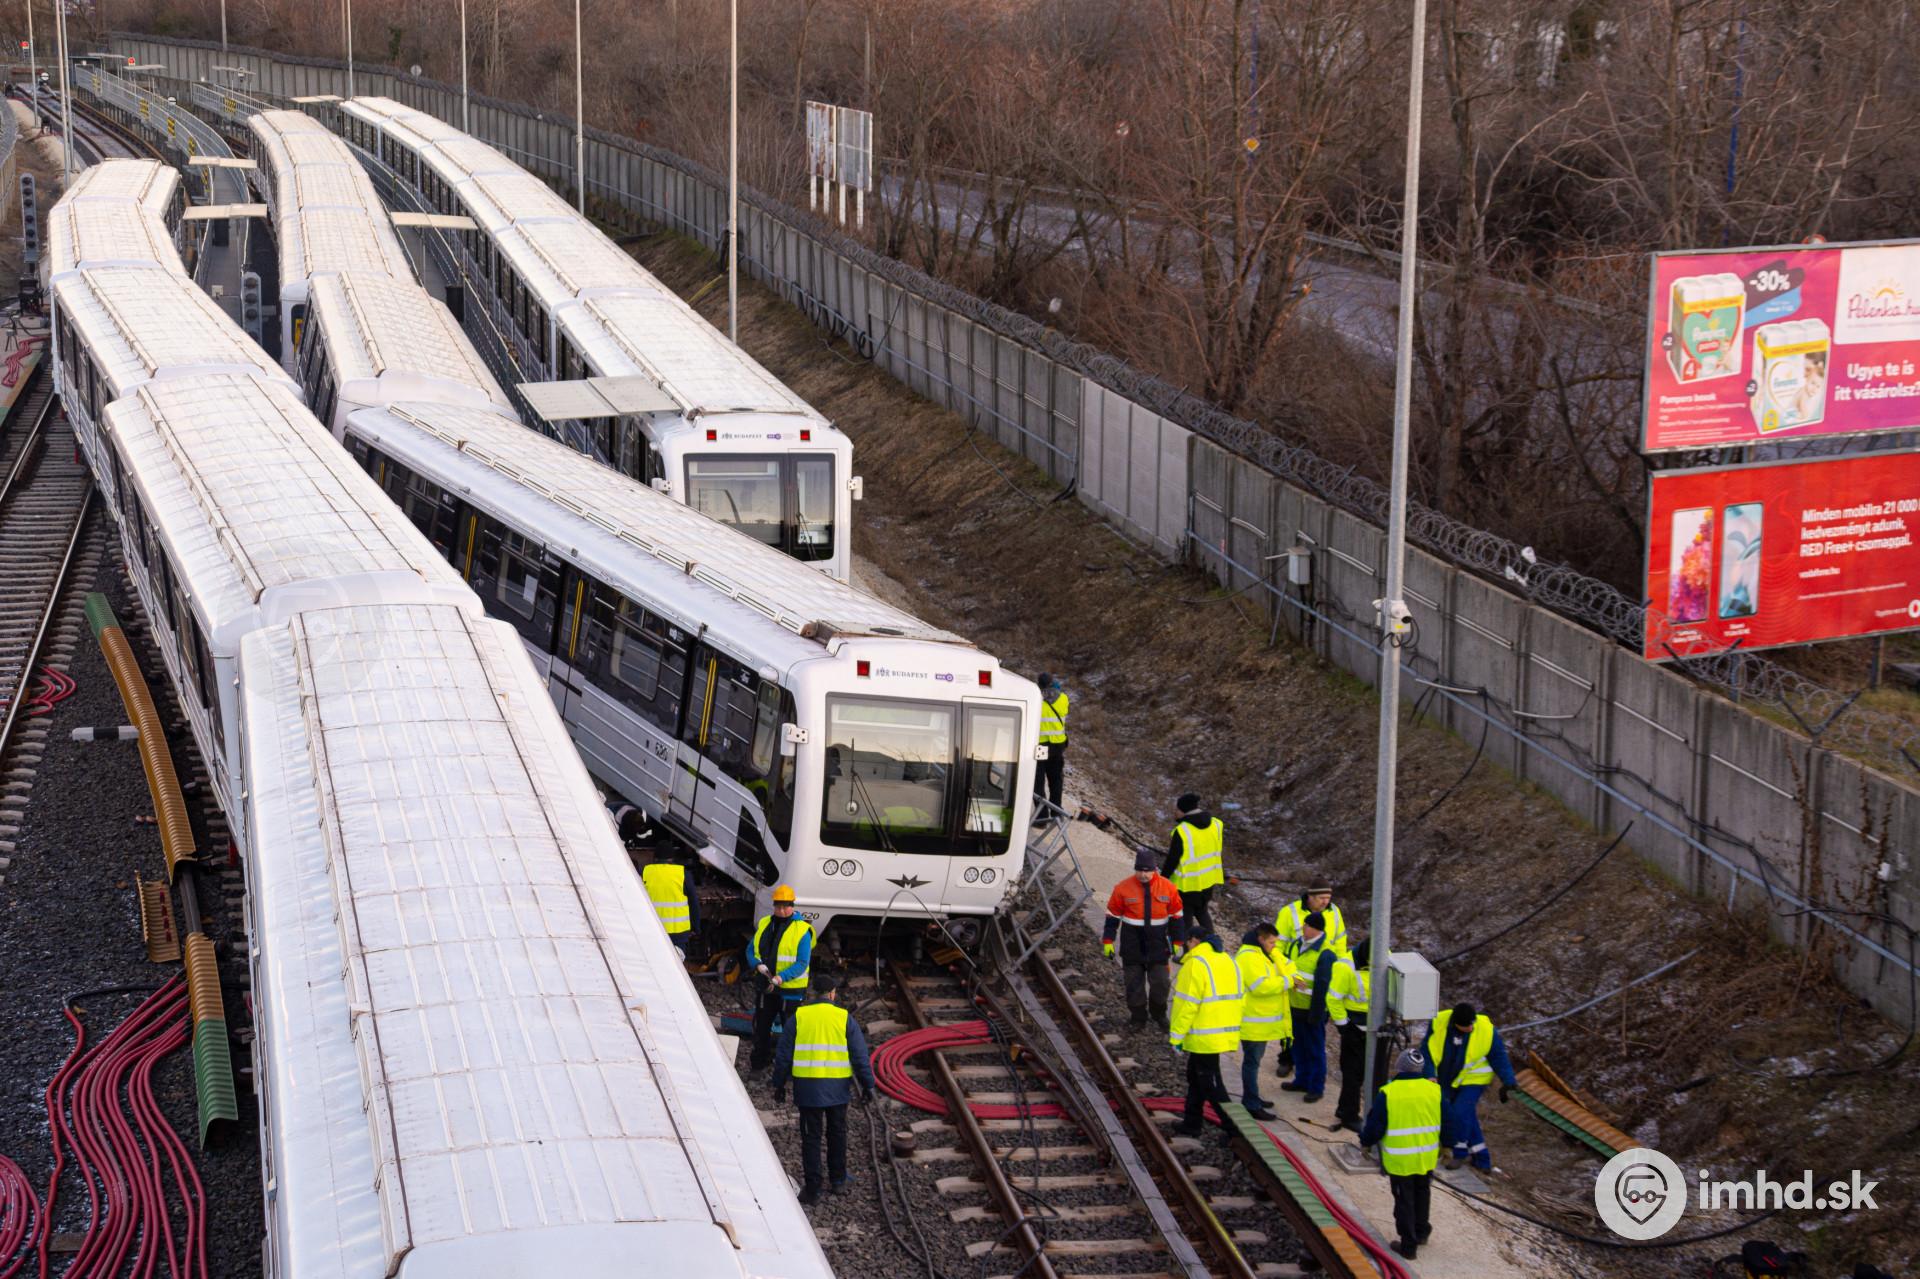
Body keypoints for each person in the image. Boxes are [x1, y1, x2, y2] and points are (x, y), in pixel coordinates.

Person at [771, 972, 875, 1205]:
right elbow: (860, 1056)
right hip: (838, 1090)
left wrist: (779, 1084)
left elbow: (783, 1055)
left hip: (808, 1091)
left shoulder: (799, 1016)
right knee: (837, 1133)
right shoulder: (844, 1017)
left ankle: (813, 1189)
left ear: (812, 993)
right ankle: (838, 1181)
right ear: (832, 994)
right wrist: (868, 1084)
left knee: (811, 1138)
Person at [1360, 1047, 1440, 1261]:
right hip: (1426, 1156)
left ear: (1400, 1067)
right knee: (1423, 1193)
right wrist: (1449, 1145)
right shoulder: (1434, 1090)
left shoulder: (1389, 1092)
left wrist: (1365, 1143)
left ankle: (1408, 1246)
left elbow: (1375, 1124)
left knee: (1404, 1201)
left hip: (1401, 1159)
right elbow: (1449, 1120)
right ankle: (1422, 1232)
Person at [1426, 1002, 1518, 1172]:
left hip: (1475, 1079)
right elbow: (1427, 1050)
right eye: (1467, 1025)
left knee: (1459, 1113)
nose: (1471, 1027)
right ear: (1455, 1023)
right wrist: (1430, 1073)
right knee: (1465, 1115)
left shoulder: (1485, 1029)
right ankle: (1482, 1159)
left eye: (1472, 1023)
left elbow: (1499, 1057)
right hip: (1447, 1078)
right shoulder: (1438, 1023)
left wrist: (1508, 1080)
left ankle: (1458, 1154)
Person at [1102, 847, 1187, 1028]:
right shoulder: (1122, 889)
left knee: (1161, 984)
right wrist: (1108, 940)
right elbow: (1113, 916)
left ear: (1155, 869)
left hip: (1158, 947)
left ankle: (1158, 1014)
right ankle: (1138, 1018)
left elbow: (1177, 916)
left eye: (1147, 870)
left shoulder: (1168, 888)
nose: (1143, 874)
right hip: (1132, 946)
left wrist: (1179, 941)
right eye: (1139, 870)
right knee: (1134, 985)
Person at [1168, 933, 1242, 1137]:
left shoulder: (1196, 964)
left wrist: (1177, 1036)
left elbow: (1187, 1004)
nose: (1186, 946)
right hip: (1220, 1031)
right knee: (1195, 1077)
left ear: (1194, 941)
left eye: (1188, 942)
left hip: (1203, 1036)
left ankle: (1233, 1128)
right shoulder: (1227, 960)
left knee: (1211, 1085)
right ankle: (1192, 1122)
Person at [745, 885, 813, 1072]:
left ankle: (790, 1071)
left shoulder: (802, 930)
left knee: (790, 1032)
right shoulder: (766, 923)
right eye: (778, 906)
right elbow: (751, 949)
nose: (782, 910)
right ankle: (759, 1063)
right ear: (774, 906)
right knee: (761, 1028)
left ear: (792, 906)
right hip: (766, 987)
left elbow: (802, 963)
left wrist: (781, 978)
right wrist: (757, 964)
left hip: (789, 991)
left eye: (786, 906)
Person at [1233, 923, 1294, 1120]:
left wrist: (1287, 970)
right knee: (1251, 1063)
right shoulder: (1249, 957)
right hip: (1253, 1022)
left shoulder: (1264, 954)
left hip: (1260, 1022)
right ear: (1260, 940)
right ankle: (1251, 1103)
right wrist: (1288, 981)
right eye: (1271, 942)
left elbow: (1289, 966)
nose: (1274, 946)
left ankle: (1253, 1097)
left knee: (1254, 1063)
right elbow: (1260, 987)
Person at [1280, 911, 1341, 1103]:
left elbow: (1323, 986)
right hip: (1294, 1006)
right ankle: (1302, 1080)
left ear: (1315, 928)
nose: (1303, 929)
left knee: (1314, 1050)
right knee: (1298, 1047)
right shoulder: (1296, 945)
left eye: (1306, 926)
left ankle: (1316, 1087)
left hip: (1312, 1011)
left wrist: (1317, 1014)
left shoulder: (1326, 953)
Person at [1162, 793, 1224, 940]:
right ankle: (1212, 945)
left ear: (1183, 811)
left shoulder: (1182, 831)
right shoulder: (1216, 824)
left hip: (1187, 884)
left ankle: (1186, 953)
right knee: (1202, 912)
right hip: (1209, 880)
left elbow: (1172, 859)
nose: (1174, 812)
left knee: (1184, 919)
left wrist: (1162, 878)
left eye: (1176, 809)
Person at [1330, 938, 1376, 1132]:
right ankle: (1350, 1115)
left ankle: (1344, 1109)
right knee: (1352, 1073)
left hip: (1373, 1025)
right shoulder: (1345, 967)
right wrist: (1344, 1026)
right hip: (1354, 1028)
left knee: (1362, 1073)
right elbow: (1333, 998)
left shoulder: (1383, 957)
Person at [638, 848, 700, 960]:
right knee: (677, 966)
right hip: (678, 934)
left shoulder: (645, 872)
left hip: (653, 931)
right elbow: (694, 903)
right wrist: (696, 928)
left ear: (655, 859)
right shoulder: (682, 874)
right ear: (672, 859)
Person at [1276, 884, 1347, 956]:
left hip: (1327, 964)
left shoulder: (1334, 911)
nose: (1325, 902)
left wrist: (1339, 964)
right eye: (1322, 898)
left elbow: (1340, 943)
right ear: (1310, 897)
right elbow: (1278, 944)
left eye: (1328, 898)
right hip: (1295, 964)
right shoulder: (1289, 912)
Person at [1034, 672, 1069, 808]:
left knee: (1038, 780)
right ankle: (1056, 812)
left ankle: (1041, 816)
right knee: (1056, 779)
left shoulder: (1036, 699)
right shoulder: (1064, 698)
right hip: (1058, 745)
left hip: (1041, 746)